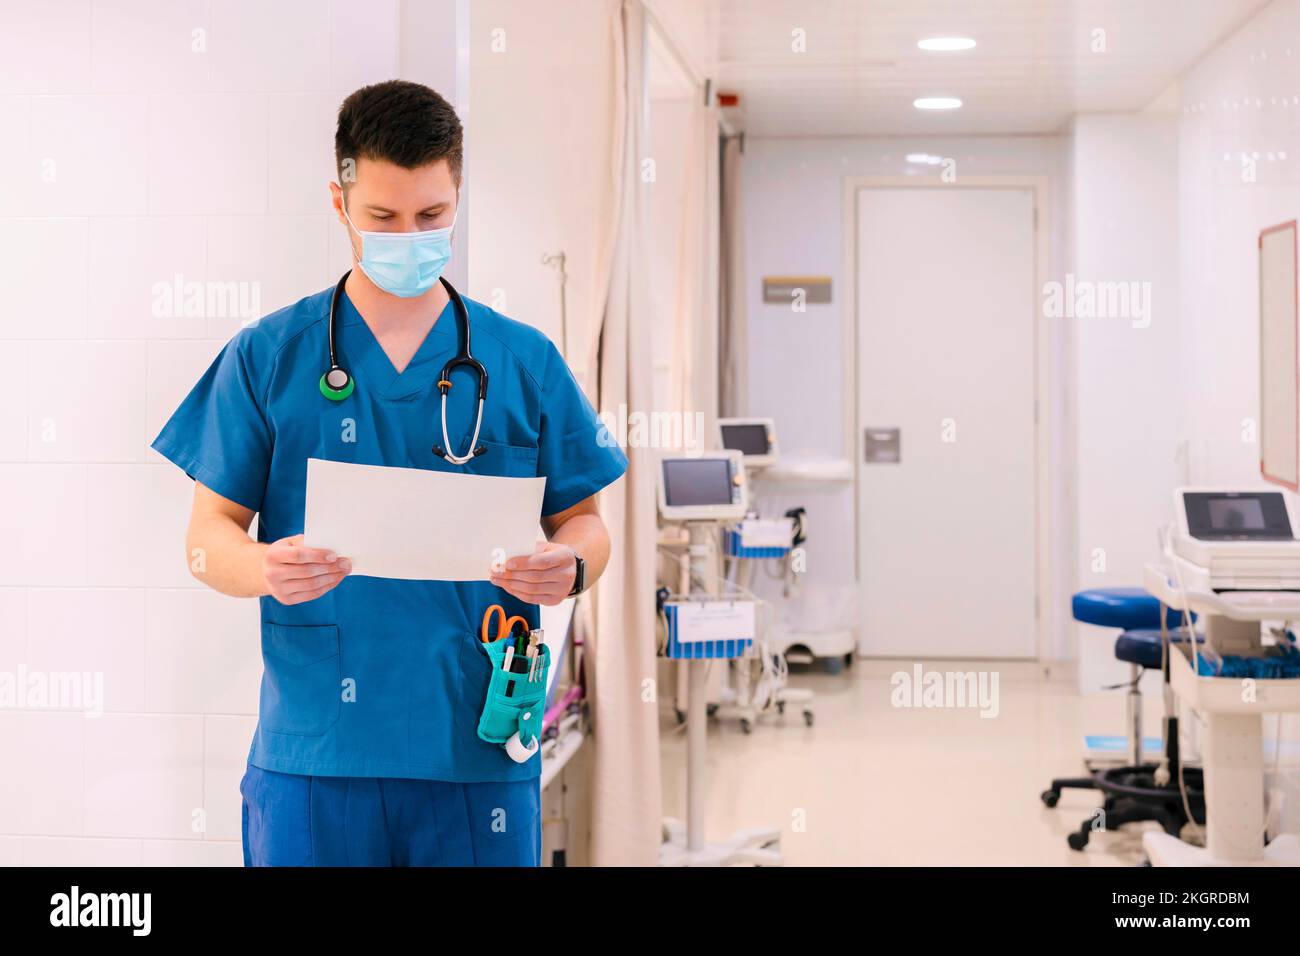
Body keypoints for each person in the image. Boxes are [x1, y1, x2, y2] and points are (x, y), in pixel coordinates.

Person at [151, 80, 627, 867]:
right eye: (383, 217)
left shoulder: (523, 362)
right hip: (316, 761)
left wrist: (571, 567)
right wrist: (264, 568)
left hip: (478, 753)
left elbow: (587, 524)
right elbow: (207, 539)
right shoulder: (271, 356)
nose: (410, 235)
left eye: (432, 216)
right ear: (340, 204)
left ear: (458, 195)